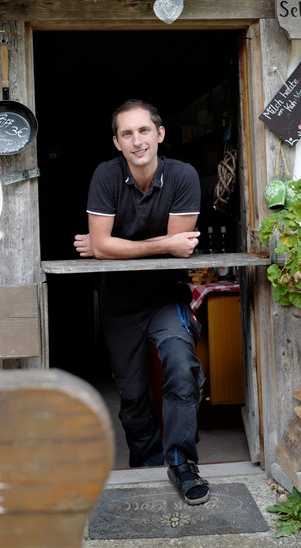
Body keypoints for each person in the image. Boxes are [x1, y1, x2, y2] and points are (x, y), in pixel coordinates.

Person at [73, 99, 209, 505]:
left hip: (167, 295)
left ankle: (182, 464)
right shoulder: (106, 175)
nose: (137, 141)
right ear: (117, 142)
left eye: (144, 130)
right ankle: (147, 464)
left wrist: (110, 246)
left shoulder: (182, 175)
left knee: (181, 367)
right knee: (132, 394)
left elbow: (178, 248)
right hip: (119, 301)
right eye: (127, 134)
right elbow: (164, 244)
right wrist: (159, 243)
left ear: (160, 134)